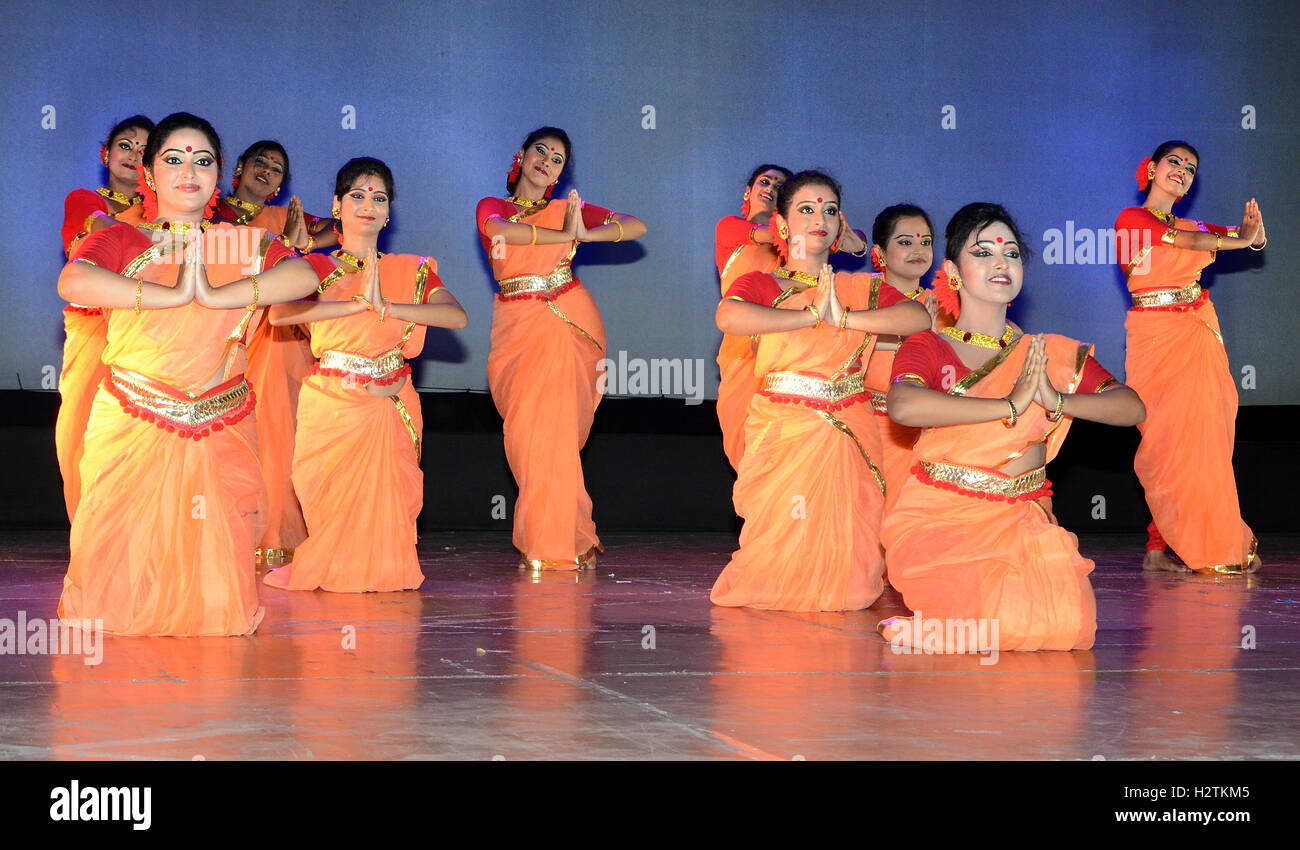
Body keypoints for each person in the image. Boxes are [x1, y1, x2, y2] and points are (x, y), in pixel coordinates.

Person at [56, 112, 320, 635]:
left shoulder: (240, 244)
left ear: (218, 174)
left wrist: (222, 293)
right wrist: (169, 294)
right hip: (134, 419)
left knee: (217, 577)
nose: (188, 172)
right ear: (150, 173)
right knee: (116, 568)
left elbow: (302, 273)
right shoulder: (123, 236)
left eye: (201, 162)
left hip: (221, 420)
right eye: (173, 160)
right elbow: (74, 281)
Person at [881, 203, 1146, 652]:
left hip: (1022, 519)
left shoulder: (1048, 353)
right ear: (953, 270)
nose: (1001, 262)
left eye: (1011, 253)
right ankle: (942, 626)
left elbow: (1131, 407)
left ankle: (948, 630)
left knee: (1066, 627)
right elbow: (903, 406)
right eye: (983, 252)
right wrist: (1008, 404)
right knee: (1003, 621)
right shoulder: (928, 344)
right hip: (942, 523)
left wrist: (1056, 400)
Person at [710, 171, 929, 611]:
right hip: (784, 429)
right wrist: (810, 316)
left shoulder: (857, 289)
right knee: (774, 558)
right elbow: (729, 318)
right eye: (806, 209)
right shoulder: (765, 283)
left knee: (848, 577)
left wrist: (844, 317)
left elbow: (916, 320)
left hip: (848, 427)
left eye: (829, 210)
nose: (820, 218)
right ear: (784, 225)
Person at [264, 157, 467, 592]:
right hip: (334, 405)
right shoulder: (315, 267)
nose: (368, 204)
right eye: (357, 195)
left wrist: (387, 307)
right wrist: (357, 305)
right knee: (334, 503)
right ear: (337, 206)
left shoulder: (413, 269)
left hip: (391, 401)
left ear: (389, 210)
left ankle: (380, 577)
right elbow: (279, 314)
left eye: (379, 197)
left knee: (389, 509)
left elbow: (455, 316)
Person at [477, 127, 646, 570]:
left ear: (559, 173)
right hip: (518, 323)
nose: (547, 161)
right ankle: (558, 536)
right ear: (521, 155)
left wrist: (586, 235)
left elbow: (635, 225)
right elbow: (500, 232)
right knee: (532, 436)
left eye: (557, 159)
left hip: (567, 317)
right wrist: (566, 235)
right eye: (541, 151)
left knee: (556, 435)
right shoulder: (495, 206)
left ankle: (556, 542)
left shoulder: (564, 209)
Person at [1115, 141, 1264, 574]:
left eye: (1191, 168)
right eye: (1174, 162)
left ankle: (1169, 547)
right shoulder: (1132, 219)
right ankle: (1163, 545)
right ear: (1152, 169)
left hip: (1196, 331)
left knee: (1202, 442)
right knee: (1164, 443)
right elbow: (1191, 240)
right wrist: (1241, 238)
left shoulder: (1191, 220)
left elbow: (1247, 237)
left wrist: (1253, 231)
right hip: (1155, 337)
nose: (1182, 170)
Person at [213, 141, 337, 565]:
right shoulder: (212, 214)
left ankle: (279, 532)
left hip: (281, 330)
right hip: (229, 328)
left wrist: (302, 245)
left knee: (283, 425)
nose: (267, 170)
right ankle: (236, 528)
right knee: (241, 429)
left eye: (278, 168)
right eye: (260, 162)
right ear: (240, 167)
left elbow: (341, 227)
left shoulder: (285, 217)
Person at [56, 115, 154, 522]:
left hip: (146, 331)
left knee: (141, 436)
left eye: (145, 150)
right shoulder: (85, 200)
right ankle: (90, 534)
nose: (133, 155)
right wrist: (166, 241)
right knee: (82, 429)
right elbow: (102, 229)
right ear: (106, 154)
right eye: (125, 145)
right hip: (95, 326)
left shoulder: (167, 212)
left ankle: (135, 535)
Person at [713, 165, 790, 469]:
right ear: (748, 191)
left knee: (783, 442)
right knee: (745, 443)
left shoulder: (796, 245)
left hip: (786, 345)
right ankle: (754, 514)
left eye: (781, 185)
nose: (771, 187)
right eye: (765, 181)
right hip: (741, 348)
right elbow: (766, 236)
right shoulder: (730, 227)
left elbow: (856, 241)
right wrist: (807, 228)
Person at [861, 204, 934, 510]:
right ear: (879, 252)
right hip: (866, 431)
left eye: (925, 242)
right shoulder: (859, 297)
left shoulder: (947, 307)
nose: (918, 249)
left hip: (927, 436)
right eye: (905, 242)